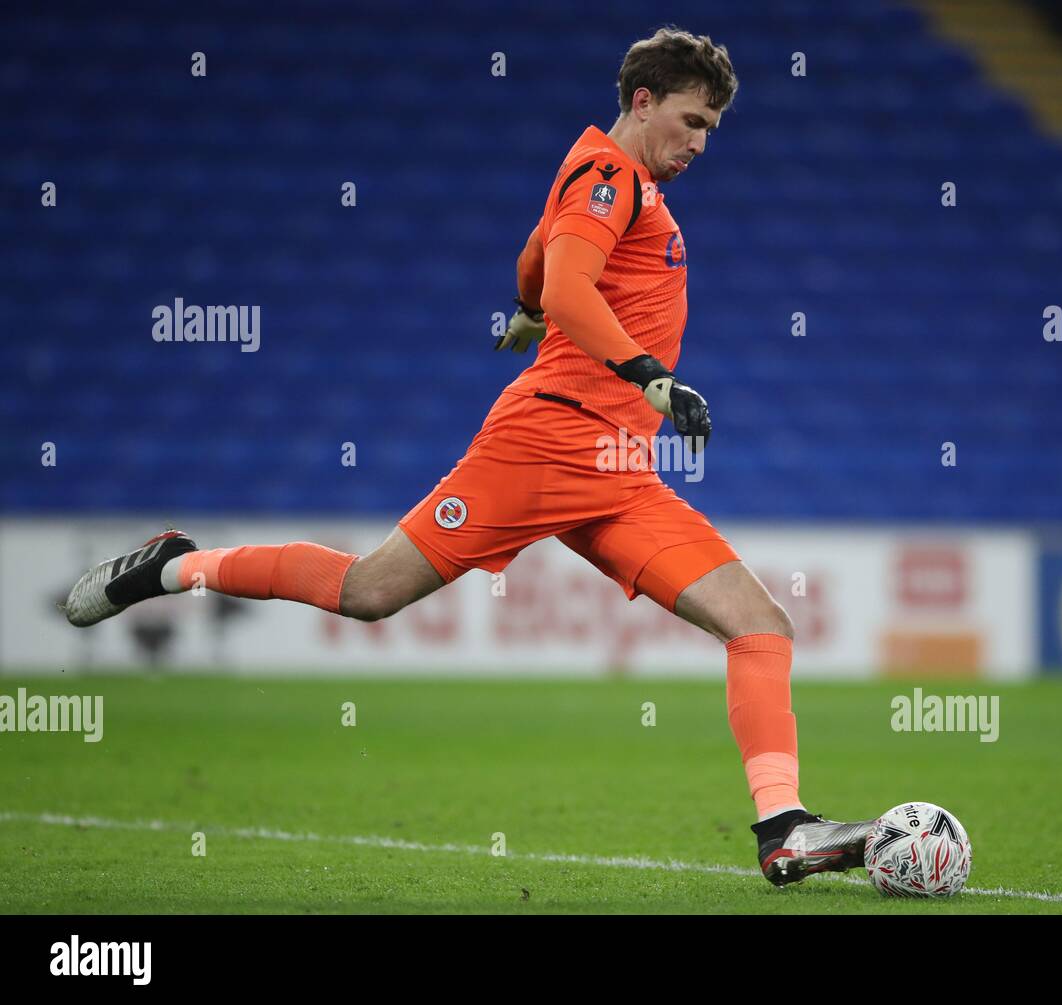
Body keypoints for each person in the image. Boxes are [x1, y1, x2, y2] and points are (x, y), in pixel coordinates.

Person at [63, 26, 873, 886]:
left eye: (712, 128)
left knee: (759, 625)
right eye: (692, 120)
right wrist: (653, 378)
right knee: (367, 592)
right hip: (544, 443)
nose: (701, 144)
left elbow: (538, 264)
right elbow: (567, 283)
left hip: (618, 472)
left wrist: (524, 309)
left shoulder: (607, 175)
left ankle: (782, 828)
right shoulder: (608, 177)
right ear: (643, 102)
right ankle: (177, 566)